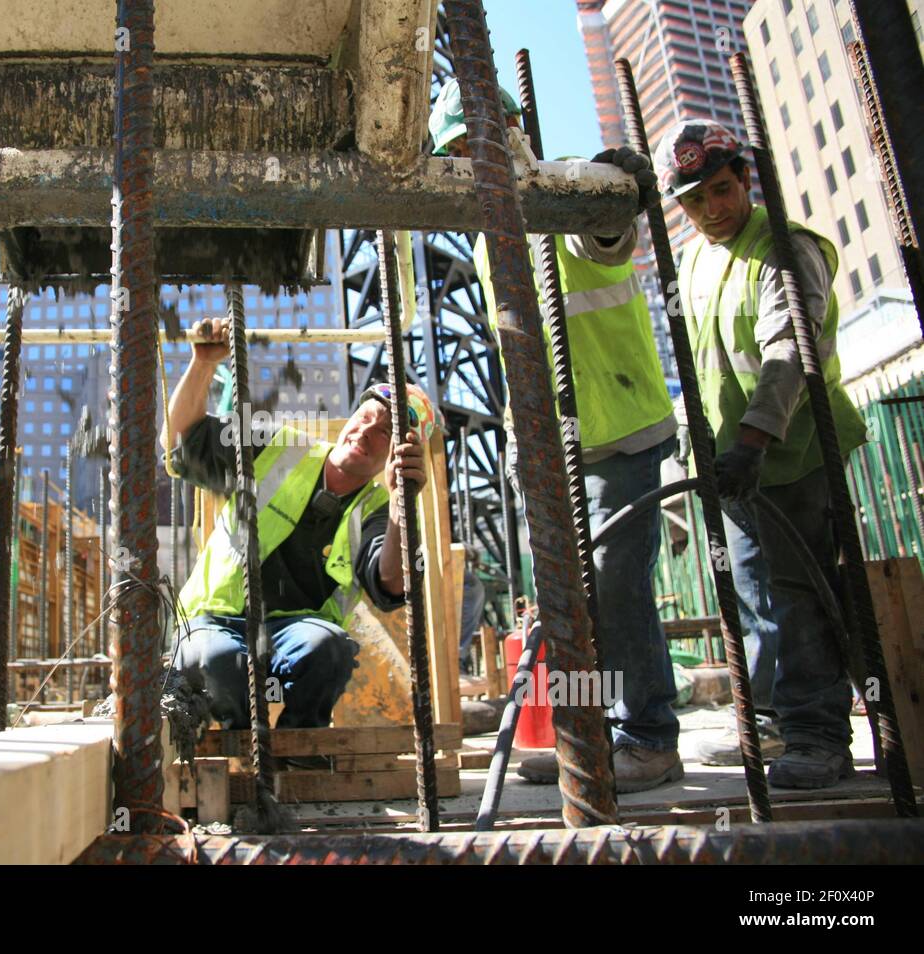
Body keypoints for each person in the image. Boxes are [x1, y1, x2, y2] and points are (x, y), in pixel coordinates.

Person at [432, 78, 686, 793]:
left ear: (516, 129)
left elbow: (606, 240)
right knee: (564, 596)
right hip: (548, 443)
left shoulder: (560, 187)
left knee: (613, 585)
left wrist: (613, 201)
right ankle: (588, 734)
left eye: (479, 137)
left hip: (621, 431)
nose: (469, 156)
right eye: (455, 148)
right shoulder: (489, 231)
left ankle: (649, 737)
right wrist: (520, 445)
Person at [653, 118, 866, 789]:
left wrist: (753, 441)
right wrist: (702, 458)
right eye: (693, 201)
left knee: (801, 594)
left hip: (796, 454)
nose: (711, 210)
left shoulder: (784, 247)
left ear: (744, 179)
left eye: (720, 190)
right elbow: (699, 369)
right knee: (753, 598)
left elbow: (788, 352)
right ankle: (774, 719)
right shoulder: (694, 260)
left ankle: (820, 735)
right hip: (733, 469)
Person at [165, 316, 433, 734]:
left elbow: (392, 584)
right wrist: (202, 364)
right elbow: (183, 442)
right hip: (214, 618)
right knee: (219, 662)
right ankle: (243, 752)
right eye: (365, 417)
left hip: (293, 631)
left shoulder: (379, 508)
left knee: (328, 649)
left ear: (398, 451)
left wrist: (403, 502)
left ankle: (299, 749)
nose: (365, 432)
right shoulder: (277, 447)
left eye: (385, 433)